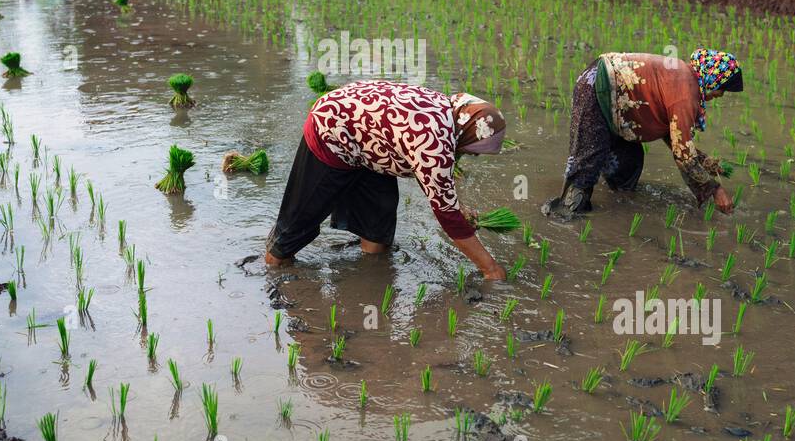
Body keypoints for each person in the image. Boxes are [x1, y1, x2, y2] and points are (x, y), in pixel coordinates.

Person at [265, 80, 509, 280]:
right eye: (474, 150)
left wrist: (458, 206)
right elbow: (448, 216)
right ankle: (272, 271)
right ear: (468, 133)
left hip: (372, 144)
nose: (471, 154)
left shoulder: (450, 111)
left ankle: (370, 279)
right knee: (300, 218)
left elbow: (438, 183)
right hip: (331, 129)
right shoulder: (434, 142)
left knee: (377, 227)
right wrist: (491, 269)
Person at [542, 49, 743, 218]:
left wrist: (705, 162)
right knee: (587, 166)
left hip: (619, 107)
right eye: (721, 89)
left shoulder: (684, 77)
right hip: (597, 88)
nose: (719, 95)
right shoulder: (686, 91)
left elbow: (674, 138)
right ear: (712, 79)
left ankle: (619, 211)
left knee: (628, 163)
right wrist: (716, 190)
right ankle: (564, 219)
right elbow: (683, 156)